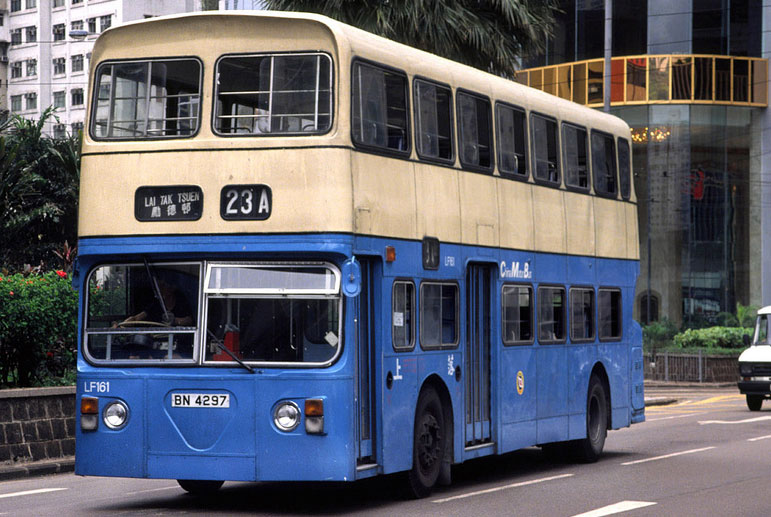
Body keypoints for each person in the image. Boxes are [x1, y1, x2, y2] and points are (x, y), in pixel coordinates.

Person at [120, 279, 193, 327]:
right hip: (158, 342)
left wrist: (174, 320)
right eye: (158, 288)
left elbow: (189, 320)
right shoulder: (156, 305)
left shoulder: (181, 303)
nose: (160, 290)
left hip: (178, 342)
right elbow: (136, 318)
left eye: (163, 287)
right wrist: (121, 325)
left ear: (172, 288)